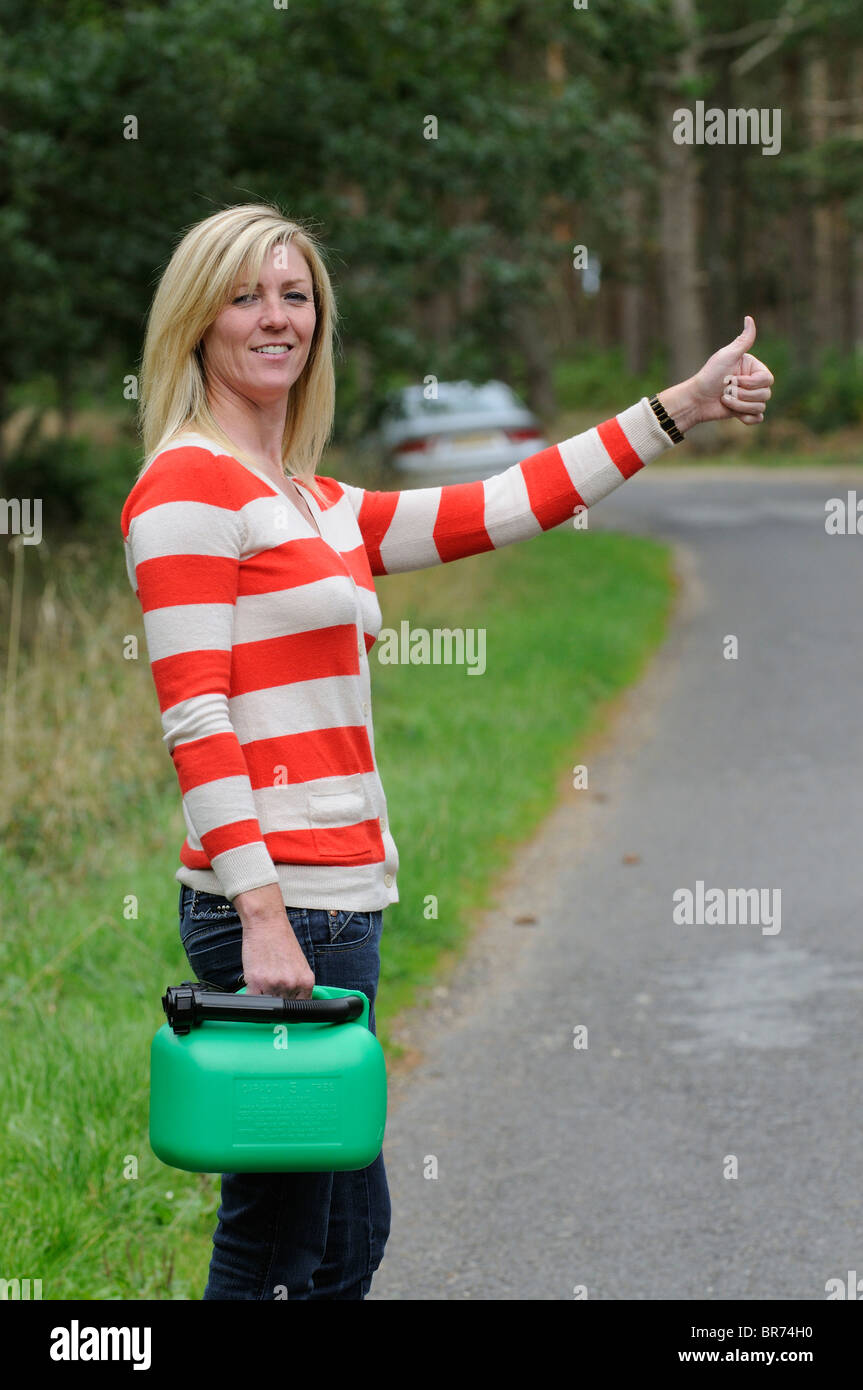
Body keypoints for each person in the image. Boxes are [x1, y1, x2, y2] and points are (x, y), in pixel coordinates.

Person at [120, 201, 774, 1300]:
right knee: (285, 1245)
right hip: (277, 906)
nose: (275, 318)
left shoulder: (313, 502)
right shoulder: (188, 485)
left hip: (341, 902)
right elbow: (196, 715)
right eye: (245, 295)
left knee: (336, 1239)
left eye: (295, 295)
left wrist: (679, 408)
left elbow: (503, 504)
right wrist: (261, 911)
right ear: (196, 320)